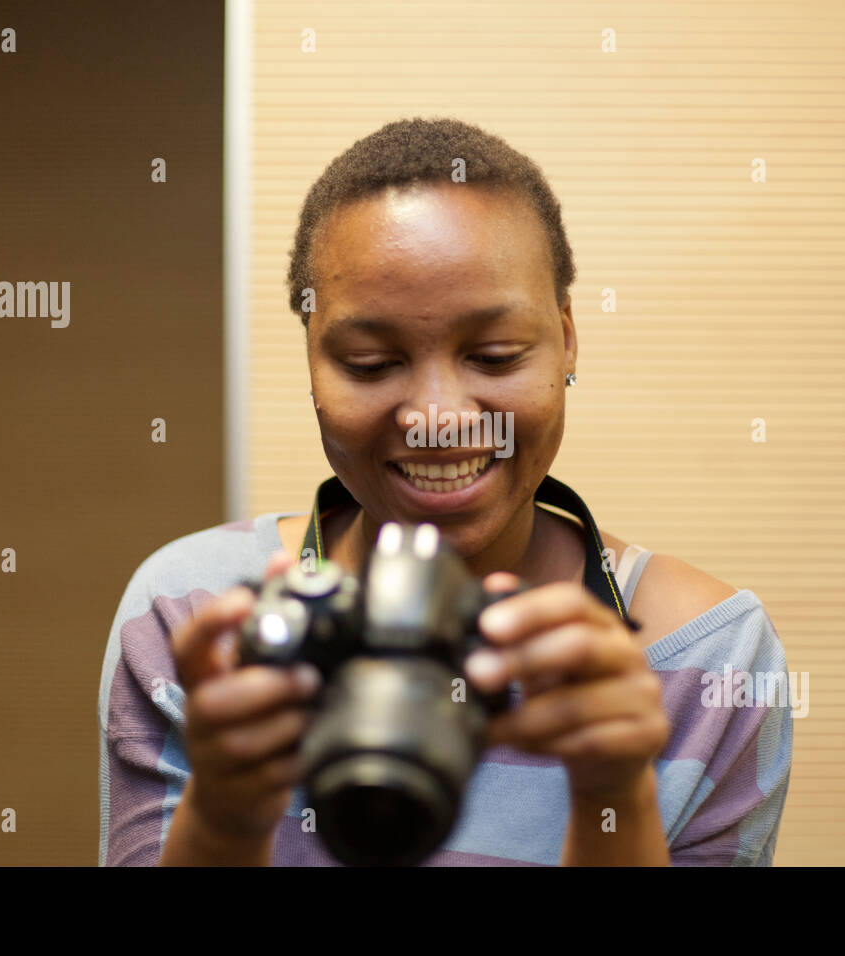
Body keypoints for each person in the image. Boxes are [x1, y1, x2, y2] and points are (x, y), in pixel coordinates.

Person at [98, 117, 792, 866]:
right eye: (370, 363)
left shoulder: (713, 657)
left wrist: (614, 796)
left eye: (494, 356)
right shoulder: (190, 619)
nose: (436, 420)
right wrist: (228, 817)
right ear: (311, 365)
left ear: (568, 339)